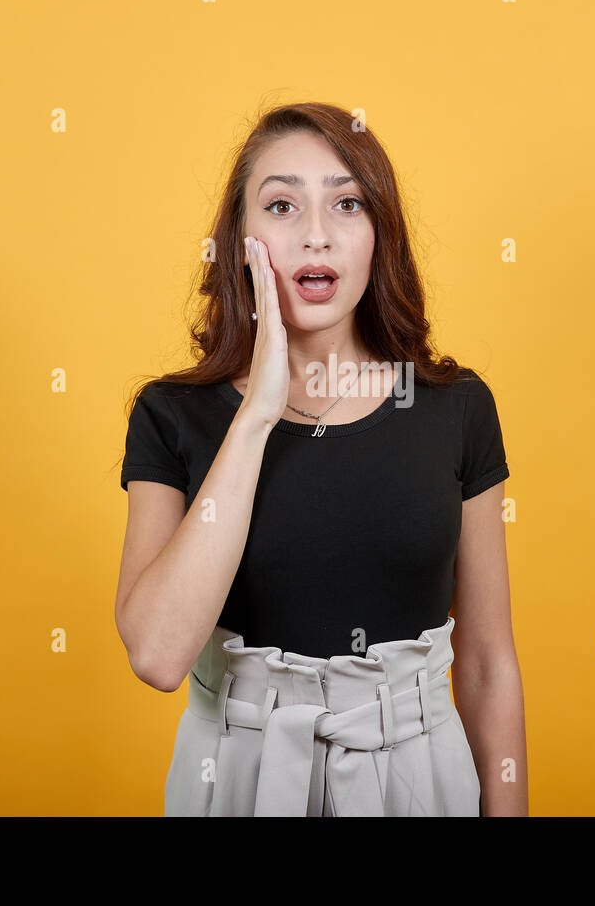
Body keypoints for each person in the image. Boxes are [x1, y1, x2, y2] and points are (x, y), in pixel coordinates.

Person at [114, 101, 527, 816]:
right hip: (238, 781)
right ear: (240, 241)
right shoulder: (170, 414)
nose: (315, 235)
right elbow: (156, 653)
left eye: (346, 204)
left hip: (418, 781)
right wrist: (258, 414)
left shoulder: (455, 407)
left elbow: (489, 667)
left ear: (379, 235)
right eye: (281, 205)